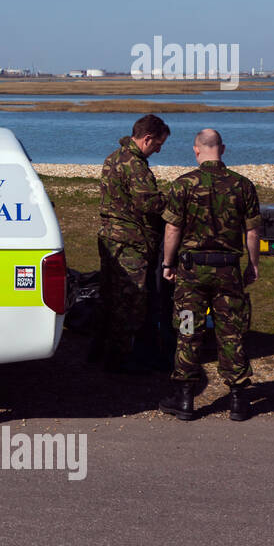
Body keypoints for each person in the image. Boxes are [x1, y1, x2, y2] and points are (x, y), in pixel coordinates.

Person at [158, 130, 261, 421]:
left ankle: (186, 398)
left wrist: (168, 263)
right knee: (231, 331)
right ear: (223, 149)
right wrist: (253, 264)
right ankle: (239, 399)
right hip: (228, 270)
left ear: (196, 150)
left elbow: (172, 229)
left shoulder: (183, 185)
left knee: (189, 330)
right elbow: (252, 231)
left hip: (191, 273)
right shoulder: (242, 185)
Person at [94, 114, 170, 374]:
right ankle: (120, 360)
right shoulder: (135, 165)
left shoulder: (114, 157)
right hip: (130, 242)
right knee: (130, 302)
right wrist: (174, 200)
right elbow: (149, 203)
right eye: (158, 144)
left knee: (110, 297)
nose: (159, 149)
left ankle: (99, 350)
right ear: (147, 138)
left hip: (110, 238)